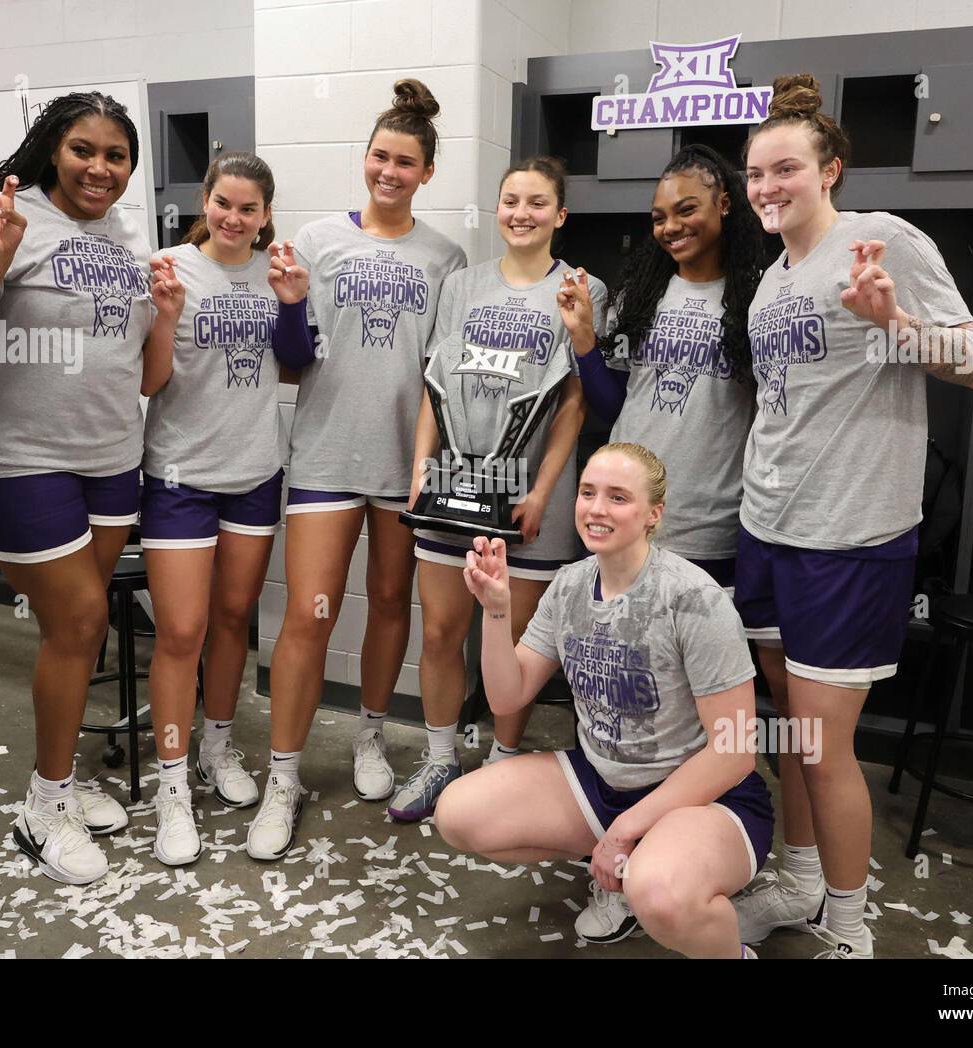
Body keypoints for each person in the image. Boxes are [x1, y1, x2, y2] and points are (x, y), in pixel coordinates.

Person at [733, 74, 973, 958]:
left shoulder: (882, 241)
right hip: (766, 527)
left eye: (785, 169)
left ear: (830, 169)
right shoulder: (771, 282)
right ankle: (799, 881)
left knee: (826, 747)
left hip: (851, 537)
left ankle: (849, 929)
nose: (766, 187)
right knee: (791, 730)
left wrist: (895, 324)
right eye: (755, 173)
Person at [0, 92, 160, 885]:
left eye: (116, 156)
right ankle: (43, 806)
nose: (100, 167)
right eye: (84, 150)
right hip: (20, 458)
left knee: (78, 631)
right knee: (81, 618)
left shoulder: (126, 236)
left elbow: (134, 359)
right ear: (53, 148)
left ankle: (58, 775)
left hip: (112, 456)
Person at [435, 443, 774, 957]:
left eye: (618, 497)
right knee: (458, 813)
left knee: (660, 894)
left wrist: (624, 830)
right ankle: (627, 874)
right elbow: (508, 698)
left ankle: (705, 927)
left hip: (707, 797)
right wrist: (497, 611)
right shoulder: (569, 586)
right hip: (605, 781)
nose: (596, 508)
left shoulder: (694, 598)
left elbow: (734, 752)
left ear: (653, 514)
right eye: (589, 493)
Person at [248, 79, 467, 860]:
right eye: (380, 156)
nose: (390, 171)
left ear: (426, 172)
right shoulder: (312, 241)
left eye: (405, 161)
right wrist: (286, 305)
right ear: (364, 160)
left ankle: (371, 736)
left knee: (388, 602)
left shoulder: (447, 256)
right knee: (308, 613)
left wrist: (434, 464)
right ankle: (283, 779)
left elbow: (446, 373)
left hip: (405, 465)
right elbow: (289, 361)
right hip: (325, 456)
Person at [389, 155, 591, 822]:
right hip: (453, 488)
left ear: (559, 215)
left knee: (517, 643)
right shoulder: (464, 285)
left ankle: (505, 758)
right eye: (510, 200)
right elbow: (434, 385)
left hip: (528, 501)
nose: (521, 213)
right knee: (442, 631)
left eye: (537, 202)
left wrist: (541, 493)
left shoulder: (581, 290)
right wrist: (422, 467)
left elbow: (573, 407)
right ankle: (441, 757)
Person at [138, 153, 305, 865]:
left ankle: (215, 748)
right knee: (181, 630)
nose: (234, 219)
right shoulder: (169, 267)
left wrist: (295, 303)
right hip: (179, 474)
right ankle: (171, 787)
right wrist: (167, 317)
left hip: (254, 472)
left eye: (249, 208)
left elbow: (295, 363)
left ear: (265, 213)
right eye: (223, 203)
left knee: (235, 618)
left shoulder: (278, 272)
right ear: (203, 201)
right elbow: (148, 378)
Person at [570, 143, 763, 591]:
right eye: (659, 218)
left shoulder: (760, 297)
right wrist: (583, 340)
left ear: (725, 204)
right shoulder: (638, 296)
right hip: (624, 515)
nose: (671, 227)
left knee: (692, 658)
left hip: (709, 525)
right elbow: (614, 405)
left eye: (686, 210)